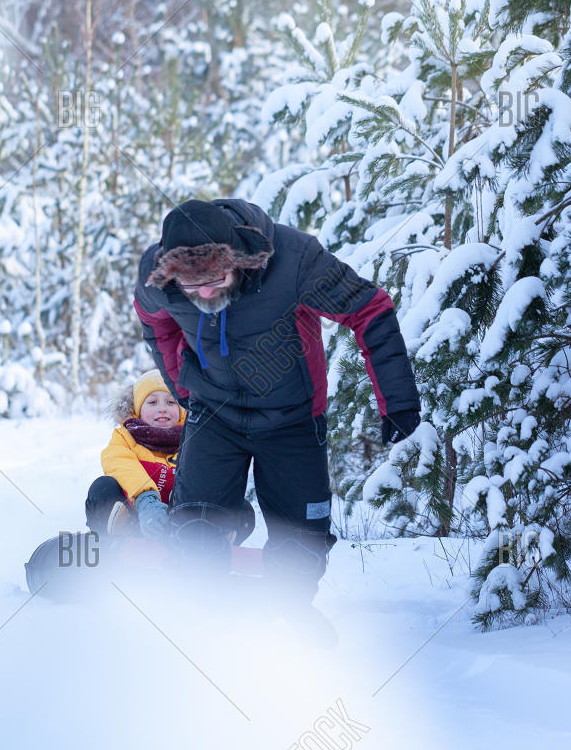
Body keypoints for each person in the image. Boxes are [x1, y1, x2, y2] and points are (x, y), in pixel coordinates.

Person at [134, 197, 420, 602]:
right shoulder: (156, 277)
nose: (207, 292)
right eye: (193, 287)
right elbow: (154, 323)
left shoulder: (293, 258)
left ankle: (286, 628)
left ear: (238, 258)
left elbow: (368, 309)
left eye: (217, 279)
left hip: (293, 418)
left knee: (300, 551)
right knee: (194, 536)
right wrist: (181, 385)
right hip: (214, 414)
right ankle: (204, 626)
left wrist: (397, 397)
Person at [84, 369, 186, 539]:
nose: (162, 408)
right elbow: (121, 464)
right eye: (152, 402)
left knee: (239, 507)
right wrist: (146, 501)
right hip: (135, 516)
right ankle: (123, 537)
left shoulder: (192, 438)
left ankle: (209, 537)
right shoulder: (125, 436)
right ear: (138, 409)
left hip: (179, 523)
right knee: (102, 487)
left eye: (171, 402)